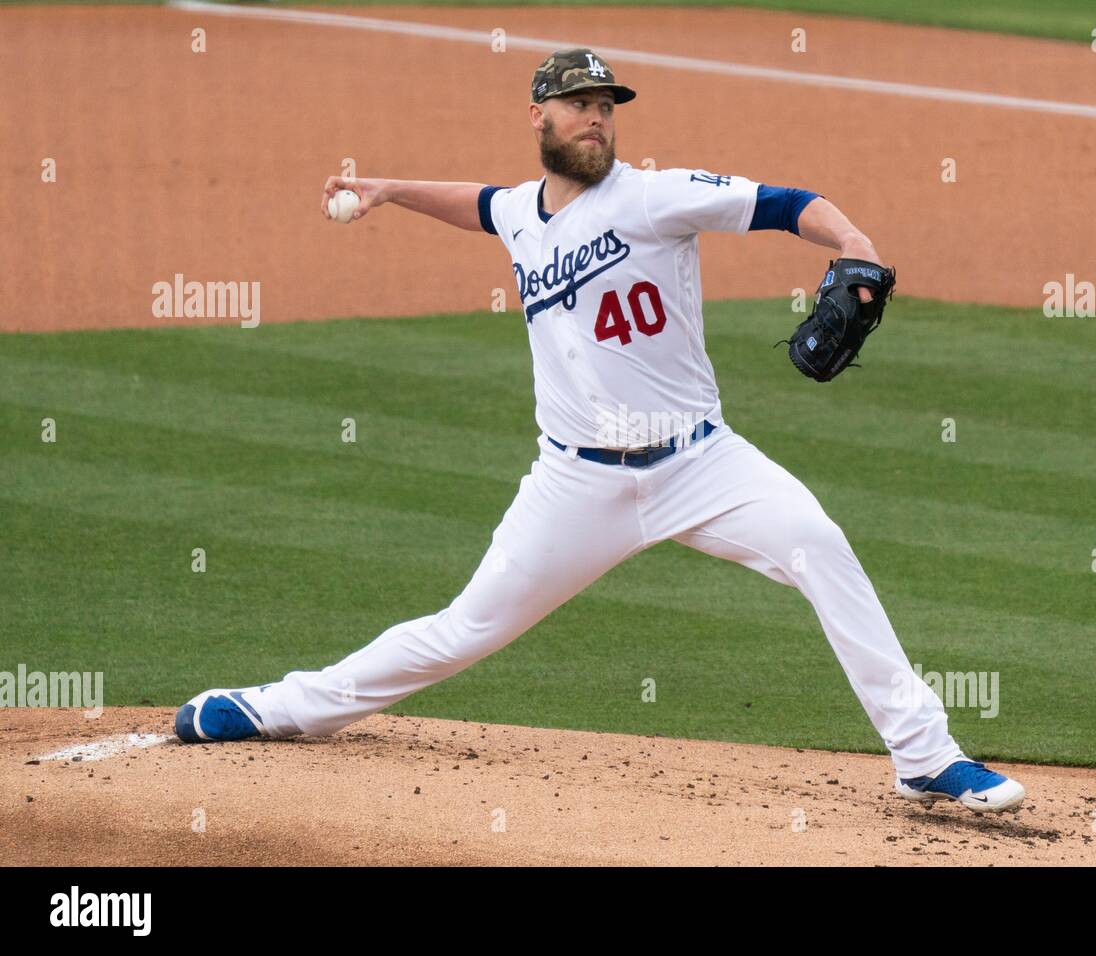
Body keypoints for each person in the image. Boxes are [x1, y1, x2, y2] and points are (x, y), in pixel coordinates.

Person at [175, 48, 1025, 815]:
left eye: (606, 106)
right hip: (574, 486)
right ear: (538, 117)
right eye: (578, 103)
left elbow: (784, 203)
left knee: (821, 546)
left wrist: (852, 238)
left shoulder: (655, 196)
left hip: (700, 461)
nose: (595, 117)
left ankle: (925, 755)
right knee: (466, 627)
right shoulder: (520, 212)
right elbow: (480, 205)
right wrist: (390, 190)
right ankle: (279, 708)